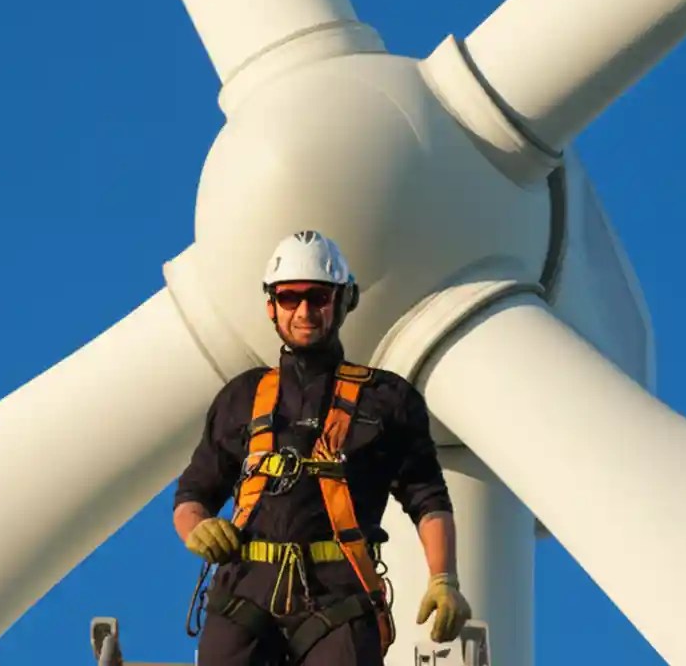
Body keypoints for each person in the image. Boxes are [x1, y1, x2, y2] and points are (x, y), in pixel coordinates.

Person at [173, 230, 472, 665]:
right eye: (290, 298)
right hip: (245, 590)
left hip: (339, 594)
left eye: (318, 296)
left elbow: (427, 497)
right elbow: (193, 495)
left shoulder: (386, 400)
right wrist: (196, 528)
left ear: (344, 300)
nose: (305, 310)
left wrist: (444, 578)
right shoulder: (242, 398)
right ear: (271, 305)